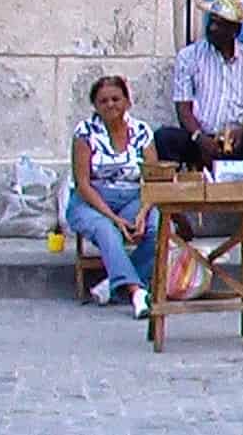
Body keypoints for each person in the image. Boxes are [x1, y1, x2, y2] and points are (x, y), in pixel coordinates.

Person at [154, 0, 243, 248]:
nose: (213, 27)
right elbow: (183, 108)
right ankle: (175, 217)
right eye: (212, 21)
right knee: (164, 137)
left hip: (238, 140)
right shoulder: (189, 57)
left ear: (235, 29)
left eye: (221, 24)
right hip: (200, 139)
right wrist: (199, 137)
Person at [65, 75, 158, 319]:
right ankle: (137, 292)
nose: (110, 105)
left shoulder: (141, 131)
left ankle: (112, 283)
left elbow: (155, 179)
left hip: (132, 197)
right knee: (107, 231)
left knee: (157, 227)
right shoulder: (85, 132)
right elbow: (82, 184)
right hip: (92, 200)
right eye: (103, 101)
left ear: (127, 102)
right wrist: (115, 220)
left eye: (116, 99)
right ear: (95, 106)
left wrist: (142, 212)